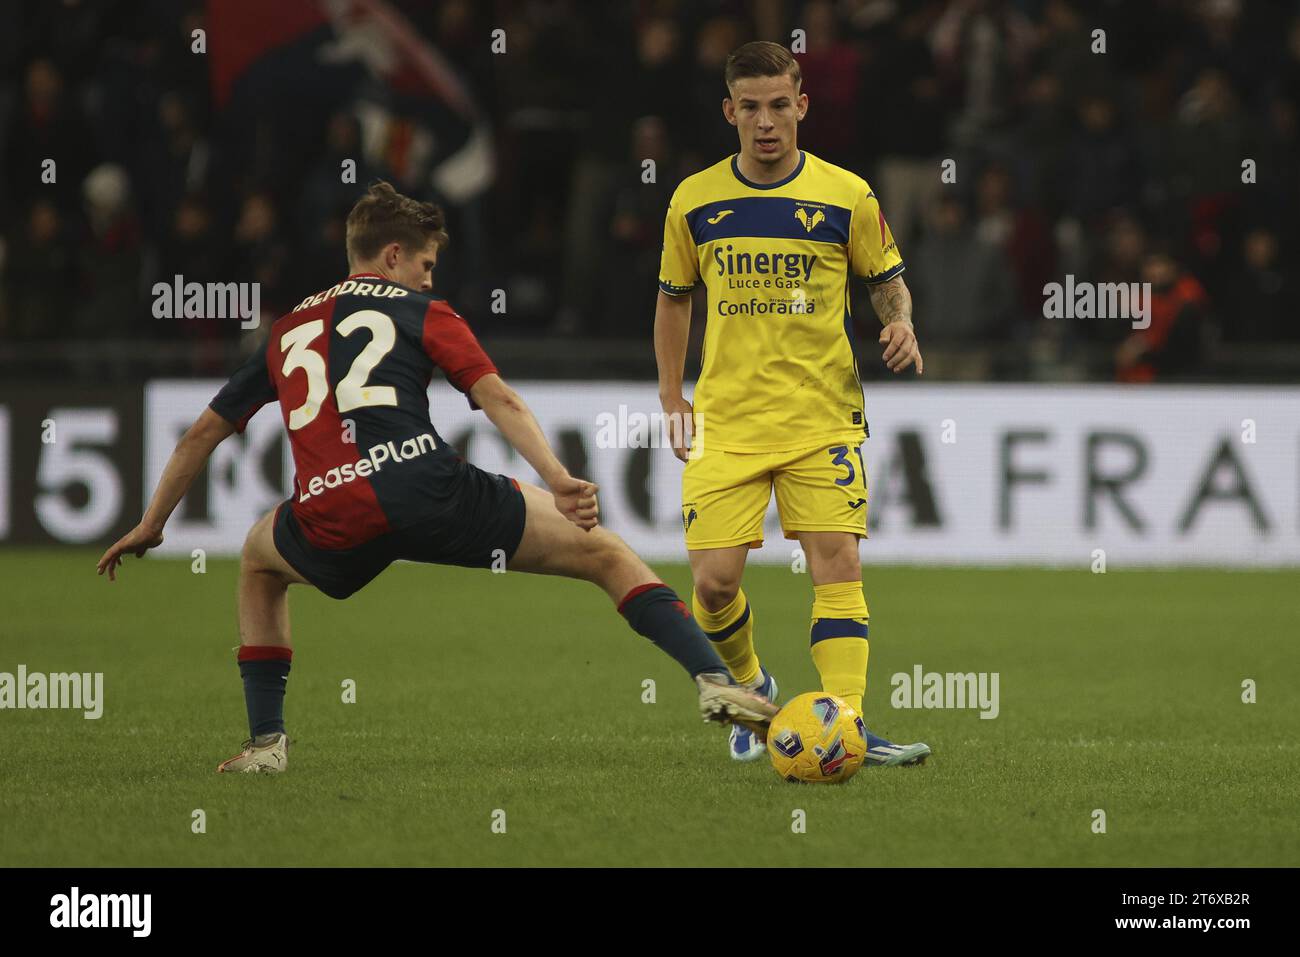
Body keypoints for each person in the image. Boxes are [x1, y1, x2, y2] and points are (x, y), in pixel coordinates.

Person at [97, 181, 776, 773]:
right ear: (392, 256)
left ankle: (266, 741)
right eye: (424, 264)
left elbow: (201, 432)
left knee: (257, 560)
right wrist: (559, 477)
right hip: (426, 488)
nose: (428, 279)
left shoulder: (285, 331)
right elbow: (498, 398)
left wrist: (152, 523)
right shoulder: (422, 312)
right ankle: (714, 676)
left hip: (329, 513)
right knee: (604, 553)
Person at [654, 41, 931, 765]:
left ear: (802, 105)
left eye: (780, 105)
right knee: (712, 587)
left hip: (820, 417)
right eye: (751, 107)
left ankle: (848, 723)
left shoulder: (848, 195)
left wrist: (899, 319)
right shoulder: (694, 199)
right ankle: (753, 690)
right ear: (730, 112)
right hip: (727, 421)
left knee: (837, 563)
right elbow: (674, 302)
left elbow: (886, 278)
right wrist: (670, 395)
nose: (766, 122)